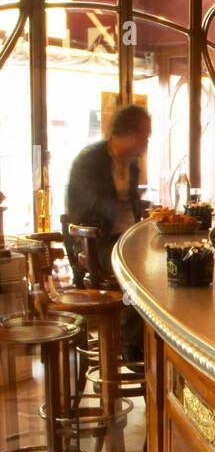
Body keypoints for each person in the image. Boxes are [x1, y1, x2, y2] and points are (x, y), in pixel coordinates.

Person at [66, 103, 151, 359]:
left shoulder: (133, 165)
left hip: (125, 239)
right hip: (94, 242)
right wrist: (123, 211)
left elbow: (133, 208)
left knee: (163, 266)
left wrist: (144, 213)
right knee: (139, 274)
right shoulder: (89, 160)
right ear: (129, 134)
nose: (146, 144)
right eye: (144, 137)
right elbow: (93, 203)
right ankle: (133, 345)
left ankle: (147, 343)